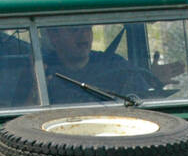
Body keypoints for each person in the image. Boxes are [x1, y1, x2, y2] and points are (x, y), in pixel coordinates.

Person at [29, 24, 160, 104]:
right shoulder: (40, 69)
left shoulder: (115, 63)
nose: (84, 35)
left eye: (88, 28)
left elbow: (142, 103)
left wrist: (154, 80)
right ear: (53, 36)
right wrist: (36, 90)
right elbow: (20, 119)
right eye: (74, 29)